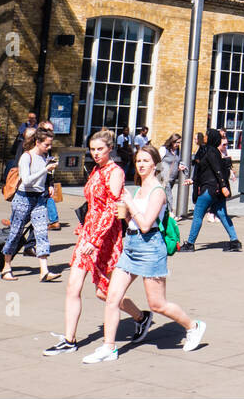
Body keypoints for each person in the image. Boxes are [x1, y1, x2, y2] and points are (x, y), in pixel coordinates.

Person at [81, 145, 206, 363]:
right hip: (130, 246)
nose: (140, 165)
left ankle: (194, 326)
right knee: (112, 297)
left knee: (157, 304)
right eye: (138, 161)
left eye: (146, 161)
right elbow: (135, 223)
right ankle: (108, 347)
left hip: (151, 248)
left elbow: (147, 224)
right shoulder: (139, 189)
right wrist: (125, 215)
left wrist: (129, 204)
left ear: (155, 164)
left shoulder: (158, 191)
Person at [43, 130, 151, 355]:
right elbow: (93, 206)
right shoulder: (95, 170)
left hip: (106, 238)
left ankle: (141, 316)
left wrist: (95, 238)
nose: (96, 153)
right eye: (92, 149)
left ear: (110, 148)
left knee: (106, 292)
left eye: (100, 149)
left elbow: (112, 208)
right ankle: (69, 339)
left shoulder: (115, 172)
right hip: (88, 235)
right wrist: (84, 228)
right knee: (73, 286)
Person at [0, 127, 61, 282]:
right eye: (46, 145)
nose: (49, 148)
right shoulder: (26, 157)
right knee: (15, 233)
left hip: (39, 199)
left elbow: (46, 175)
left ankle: (44, 270)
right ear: (37, 142)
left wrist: (50, 183)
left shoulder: (45, 157)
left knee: (42, 233)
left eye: (50, 145)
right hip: (23, 198)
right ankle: (6, 267)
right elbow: (26, 180)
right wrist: (45, 169)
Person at [179, 128, 241, 252]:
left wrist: (223, 185)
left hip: (209, 189)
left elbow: (217, 170)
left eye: (207, 135)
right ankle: (235, 241)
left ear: (211, 137)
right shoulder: (215, 152)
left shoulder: (209, 152)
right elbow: (206, 170)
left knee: (197, 215)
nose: (205, 137)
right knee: (223, 215)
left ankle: (190, 243)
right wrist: (193, 180)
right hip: (216, 190)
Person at [35, 121, 64, 231]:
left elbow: (48, 167)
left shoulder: (47, 147)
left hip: (42, 183)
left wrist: (51, 183)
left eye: (51, 130)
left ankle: (54, 220)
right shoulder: (33, 147)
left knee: (45, 199)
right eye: (48, 130)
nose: (51, 133)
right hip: (33, 183)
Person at [160, 134, 188, 212]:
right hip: (164, 178)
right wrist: (158, 178)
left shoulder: (177, 150)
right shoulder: (164, 149)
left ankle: (162, 214)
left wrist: (180, 166)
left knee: (164, 197)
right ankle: (170, 214)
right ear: (171, 141)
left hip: (172, 178)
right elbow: (157, 162)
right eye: (176, 142)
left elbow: (177, 161)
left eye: (179, 142)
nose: (177, 145)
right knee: (169, 197)